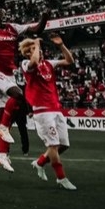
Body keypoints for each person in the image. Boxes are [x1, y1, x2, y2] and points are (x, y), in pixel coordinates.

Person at [0, 7, 49, 173]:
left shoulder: (13, 28)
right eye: (0, 14)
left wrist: (44, 18)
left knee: (5, 115)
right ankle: (2, 127)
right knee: (18, 94)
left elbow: (36, 30)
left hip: (8, 74)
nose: (4, 16)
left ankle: (3, 155)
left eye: (5, 14)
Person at [21, 34, 77, 190]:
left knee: (64, 145)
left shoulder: (48, 63)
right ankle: (61, 178)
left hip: (55, 108)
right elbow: (33, 62)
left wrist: (61, 45)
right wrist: (36, 44)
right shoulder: (25, 64)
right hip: (42, 111)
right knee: (53, 145)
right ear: (27, 53)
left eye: (37, 48)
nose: (38, 50)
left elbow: (70, 61)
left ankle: (40, 163)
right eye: (33, 49)